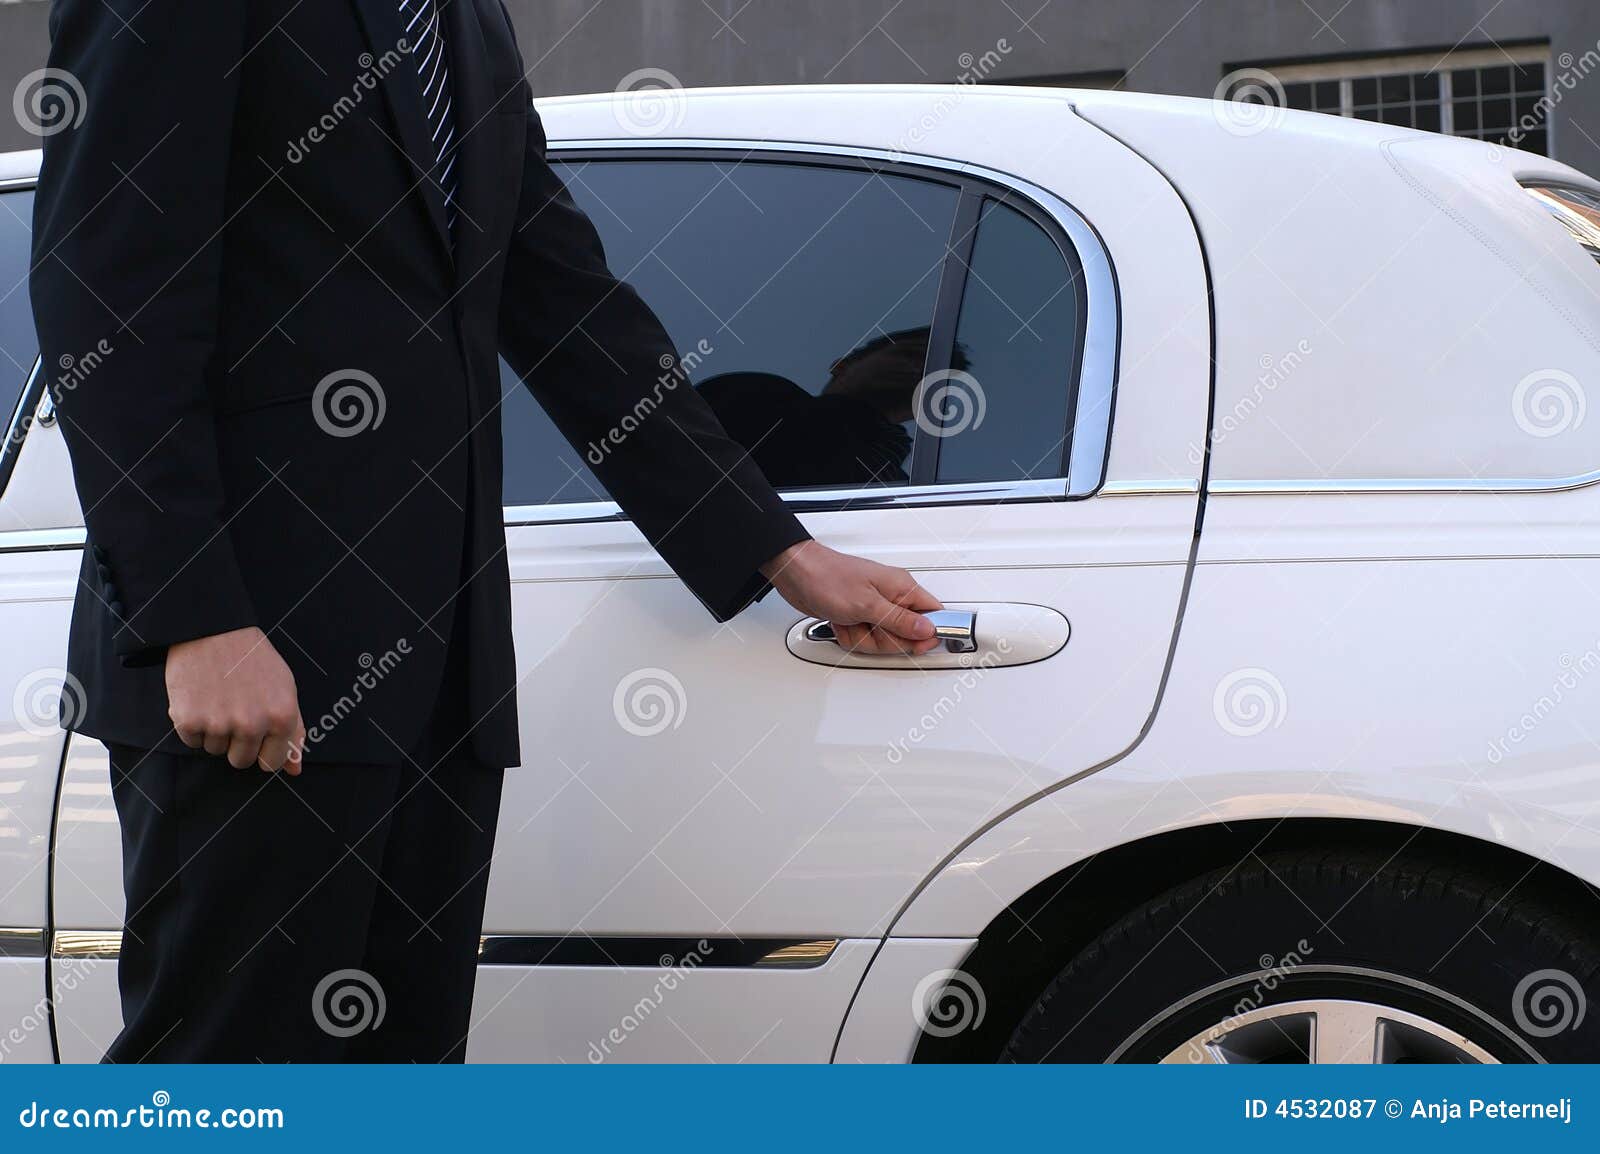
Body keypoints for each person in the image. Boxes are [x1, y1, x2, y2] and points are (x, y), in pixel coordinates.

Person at [29, 0, 941, 1063]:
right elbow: (108, 296)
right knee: (228, 1083)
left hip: (446, 673)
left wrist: (779, 548)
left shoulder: (465, 16)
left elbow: (563, 298)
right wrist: (197, 619)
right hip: (255, 659)